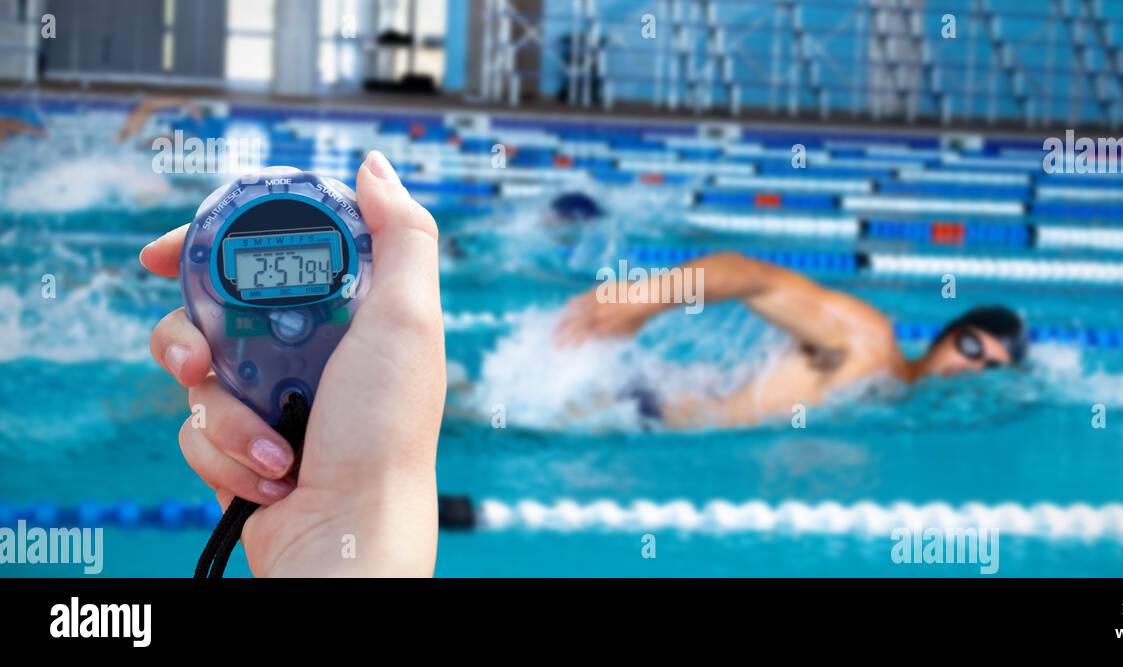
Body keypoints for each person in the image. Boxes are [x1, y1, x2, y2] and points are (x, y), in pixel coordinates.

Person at [139, 151, 446, 576]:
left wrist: (352, 515)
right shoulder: (335, 243)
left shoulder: (220, 249)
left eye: (301, 267)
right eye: (264, 270)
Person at [555, 251, 1027, 429]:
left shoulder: (896, 407)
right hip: (626, 406)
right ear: (945, 335)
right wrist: (647, 299)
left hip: (635, 410)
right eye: (971, 346)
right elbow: (753, 276)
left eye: (990, 366)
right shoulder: (870, 344)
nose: (972, 365)